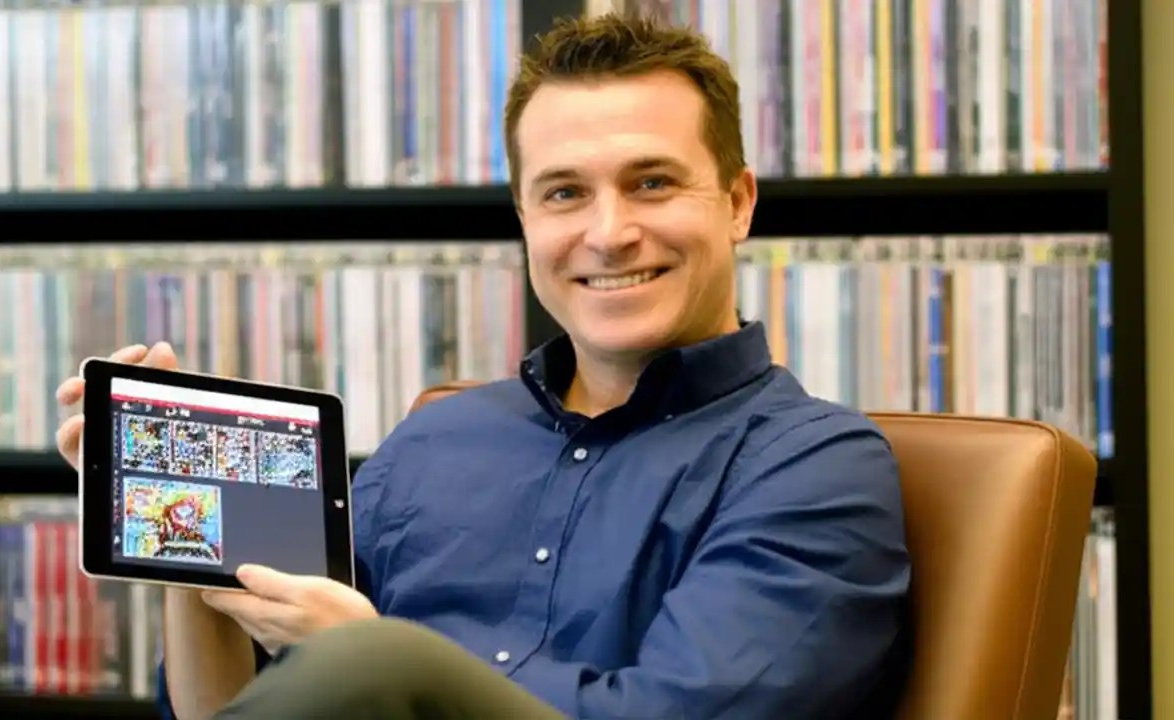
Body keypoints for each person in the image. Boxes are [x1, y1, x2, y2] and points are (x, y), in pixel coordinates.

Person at [54, 12, 911, 720]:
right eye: (565, 193)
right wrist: (186, 544)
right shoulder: (436, 438)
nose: (608, 233)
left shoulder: (816, 467)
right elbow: (227, 710)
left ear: (737, 202)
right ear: (525, 216)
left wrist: (370, 659)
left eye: (651, 182)